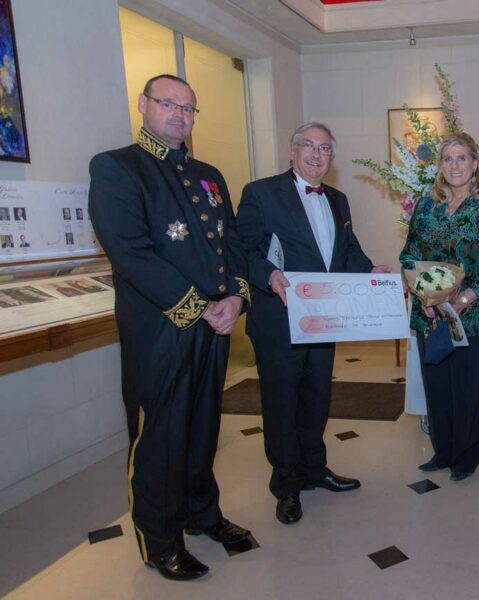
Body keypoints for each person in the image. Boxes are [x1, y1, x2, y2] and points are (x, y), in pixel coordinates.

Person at [88, 74, 252, 580]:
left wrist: (236, 297)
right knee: (161, 435)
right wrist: (196, 306)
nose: (180, 115)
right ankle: (159, 540)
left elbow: (232, 244)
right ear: (143, 105)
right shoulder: (118, 167)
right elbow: (129, 251)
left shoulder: (208, 174)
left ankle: (202, 514)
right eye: (170, 105)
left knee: (203, 428)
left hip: (213, 326)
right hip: (161, 328)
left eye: (188, 108)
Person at [236, 122, 390, 525]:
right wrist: (268, 274)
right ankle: (286, 485)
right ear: (292, 151)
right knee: (281, 402)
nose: (317, 155)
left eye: (325, 149)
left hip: (323, 319)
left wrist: (370, 271)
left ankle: (314, 468)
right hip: (278, 318)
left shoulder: (338, 199)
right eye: (309, 146)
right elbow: (241, 249)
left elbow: (348, 251)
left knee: (317, 397)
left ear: (331, 157)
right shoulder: (261, 193)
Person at [399, 133, 479, 481]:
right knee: (436, 383)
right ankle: (443, 451)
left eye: (461, 158)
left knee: (465, 385)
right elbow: (409, 255)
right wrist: (425, 295)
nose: (454, 165)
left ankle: (466, 457)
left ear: (475, 163)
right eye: (448, 159)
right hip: (430, 311)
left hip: (472, 312)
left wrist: (466, 298)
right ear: (440, 165)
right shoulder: (426, 205)